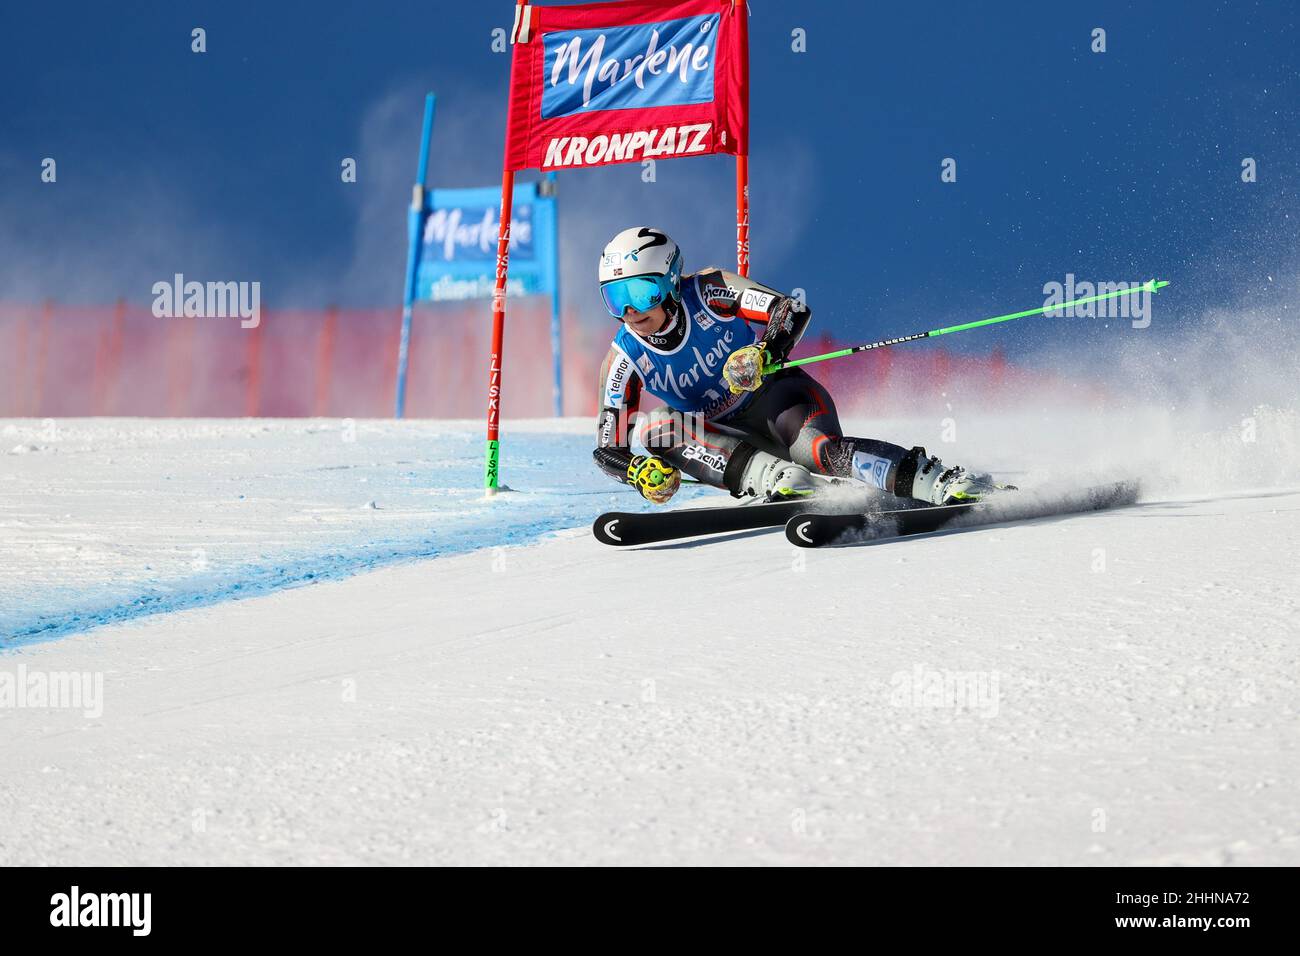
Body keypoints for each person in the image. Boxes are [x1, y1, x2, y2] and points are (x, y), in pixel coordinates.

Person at [592, 226, 999, 507]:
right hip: (727, 441)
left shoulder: (710, 290)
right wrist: (638, 472)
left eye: (641, 292)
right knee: (657, 429)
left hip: (778, 403)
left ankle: (939, 482)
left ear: (669, 281)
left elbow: (789, 309)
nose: (629, 310)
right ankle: (779, 481)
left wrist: (764, 352)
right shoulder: (623, 359)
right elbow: (609, 448)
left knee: (818, 452)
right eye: (615, 298)